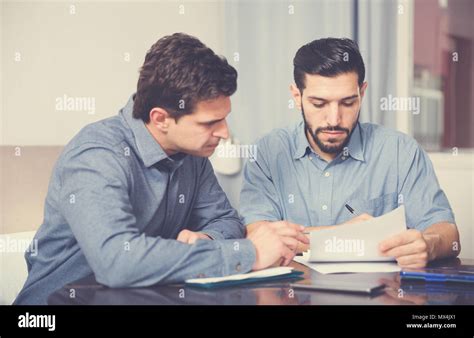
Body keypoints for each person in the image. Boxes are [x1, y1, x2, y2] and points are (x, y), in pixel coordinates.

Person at [14, 33, 307, 305]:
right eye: (210, 123)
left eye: (224, 118)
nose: (224, 133)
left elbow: (226, 219)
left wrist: (205, 240)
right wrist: (249, 252)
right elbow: (117, 262)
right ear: (161, 118)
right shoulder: (95, 156)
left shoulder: (191, 153)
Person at [240, 38, 460, 269]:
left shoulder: (399, 151)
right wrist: (350, 234)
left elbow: (448, 234)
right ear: (297, 97)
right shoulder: (266, 153)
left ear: (362, 93)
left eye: (347, 103)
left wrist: (429, 244)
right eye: (319, 104)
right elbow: (257, 236)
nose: (334, 120)